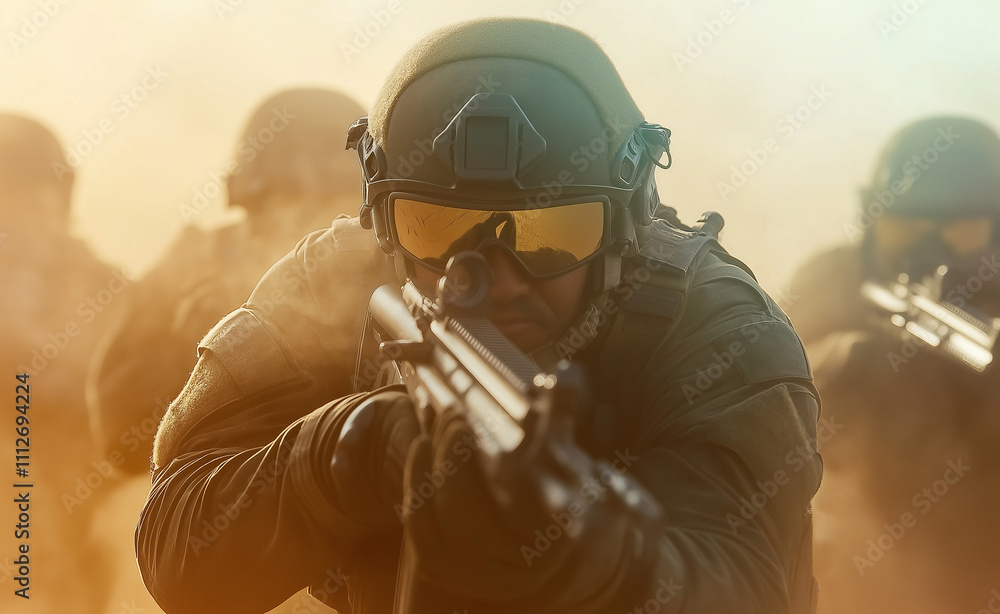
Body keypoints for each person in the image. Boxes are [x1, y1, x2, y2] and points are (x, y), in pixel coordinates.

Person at [137, 18, 821, 614]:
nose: (494, 277)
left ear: (623, 229)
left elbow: (745, 587)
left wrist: (594, 556)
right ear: (382, 221)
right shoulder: (337, 283)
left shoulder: (713, 321)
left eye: (550, 234)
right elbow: (179, 558)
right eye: (438, 229)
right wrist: (350, 454)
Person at [87, 87, 365, 474]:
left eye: (334, 204)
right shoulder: (195, 262)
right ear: (248, 196)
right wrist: (208, 347)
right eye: (288, 200)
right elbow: (119, 438)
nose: (316, 229)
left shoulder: (391, 267)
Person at [785, 116, 1000, 614]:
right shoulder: (834, 279)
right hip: (843, 571)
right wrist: (837, 364)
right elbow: (740, 386)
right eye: (905, 227)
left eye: (959, 232)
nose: (930, 253)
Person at [0, 112, 119, 613]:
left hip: (84, 533)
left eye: (43, 189)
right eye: (20, 190)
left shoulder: (105, 288)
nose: (39, 208)